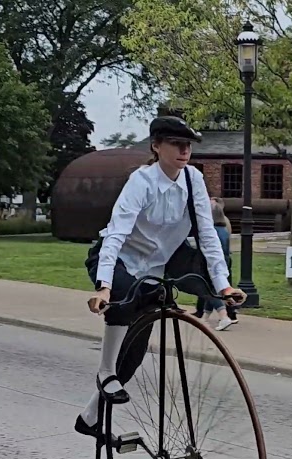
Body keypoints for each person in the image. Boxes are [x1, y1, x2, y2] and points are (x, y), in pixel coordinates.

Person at [75, 116, 245, 440]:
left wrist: (223, 284)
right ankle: (105, 371)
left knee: (135, 352)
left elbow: (208, 236)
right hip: (119, 261)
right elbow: (117, 232)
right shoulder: (142, 181)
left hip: (155, 268)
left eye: (188, 145)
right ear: (156, 146)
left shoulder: (194, 180)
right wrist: (104, 287)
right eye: (176, 144)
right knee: (124, 301)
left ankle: (90, 416)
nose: (184, 151)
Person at [194, 198, 238, 331]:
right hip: (224, 260)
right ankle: (205, 318)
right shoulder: (224, 229)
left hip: (213, 262)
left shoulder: (212, 231)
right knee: (213, 289)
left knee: (210, 289)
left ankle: (224, 316)